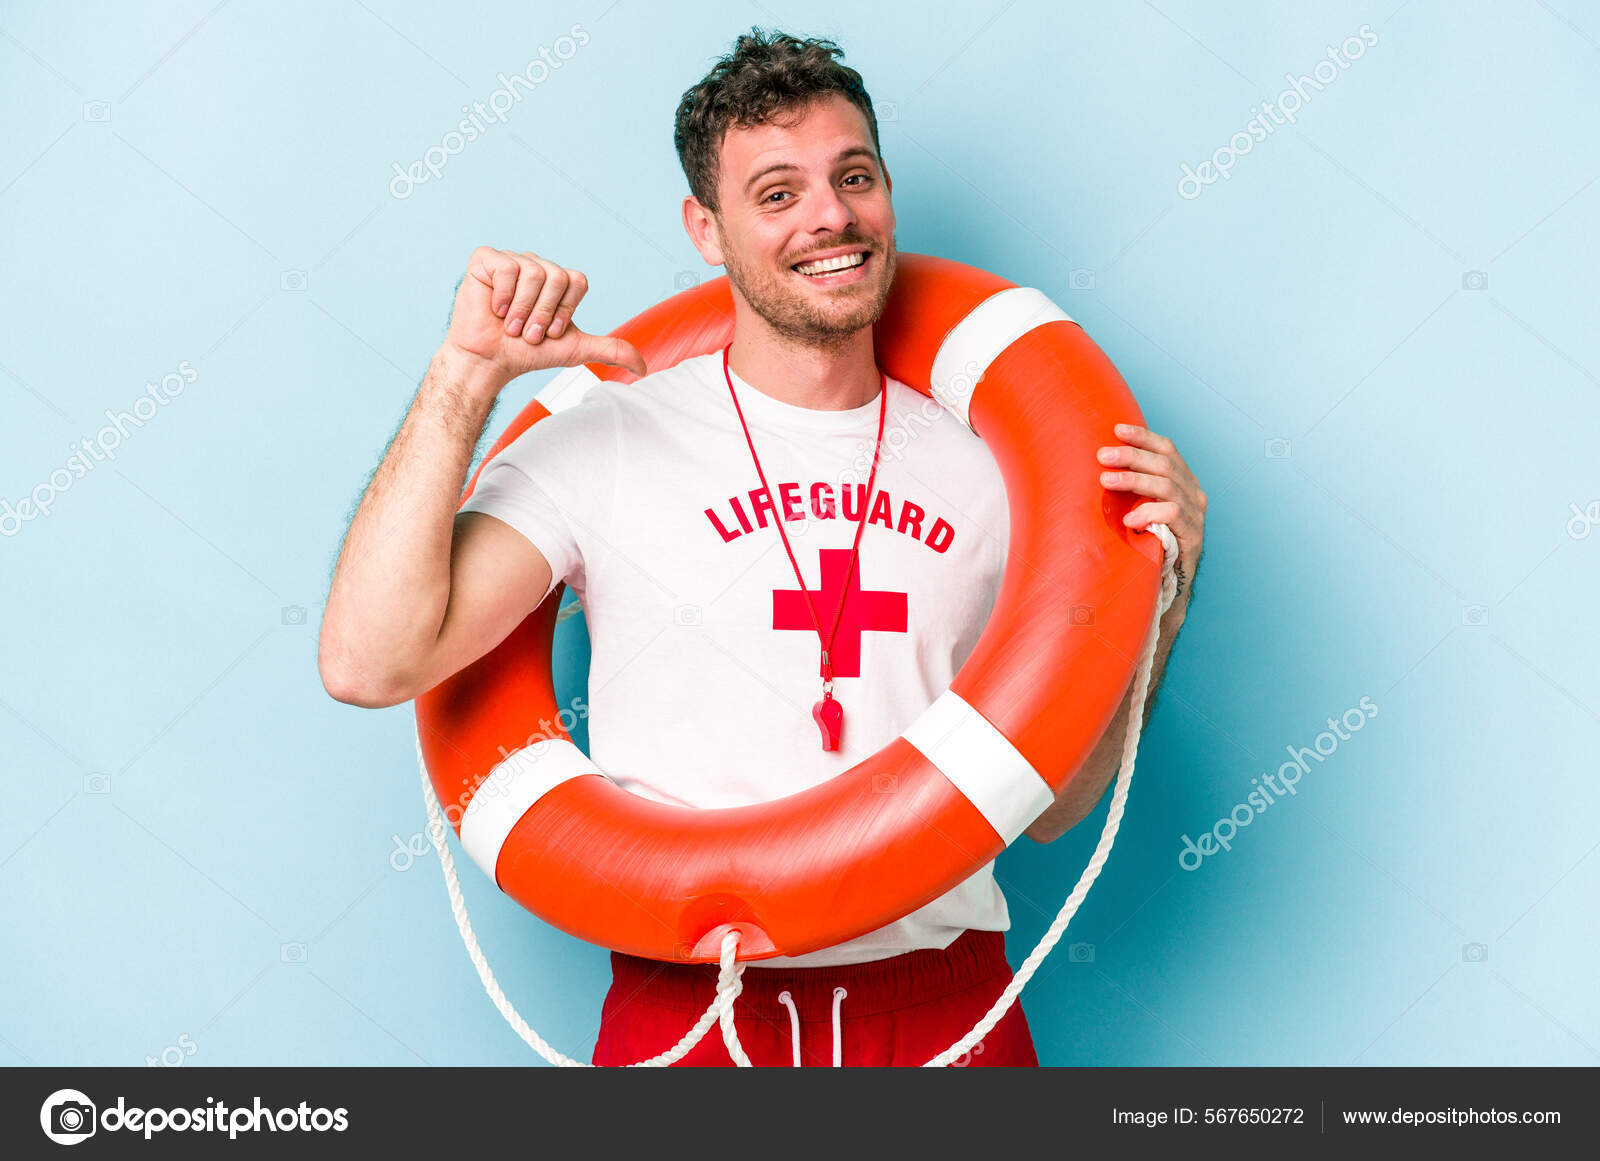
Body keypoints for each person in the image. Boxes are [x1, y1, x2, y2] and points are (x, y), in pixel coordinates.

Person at [319, 28, 1207, 1067]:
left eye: (854, 177)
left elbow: (1052, 812)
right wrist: (466, 378)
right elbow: (367, 662)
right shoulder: (605, 438)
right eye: (777, 192)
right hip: (688, 1011)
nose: (829, 215)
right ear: (707, 229)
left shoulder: (999, 471)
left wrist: (1160, 599)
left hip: (940, 1008)